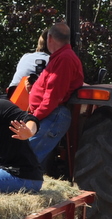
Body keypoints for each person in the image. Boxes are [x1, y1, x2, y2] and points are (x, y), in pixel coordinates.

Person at [28, 21, 84, 164]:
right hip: (49, 114)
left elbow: (53, 96)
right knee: (23, 157)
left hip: (52, 115)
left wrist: (34, 118)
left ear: (50, 38)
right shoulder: (61, 57)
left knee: (25, 158)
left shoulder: (64, 59)